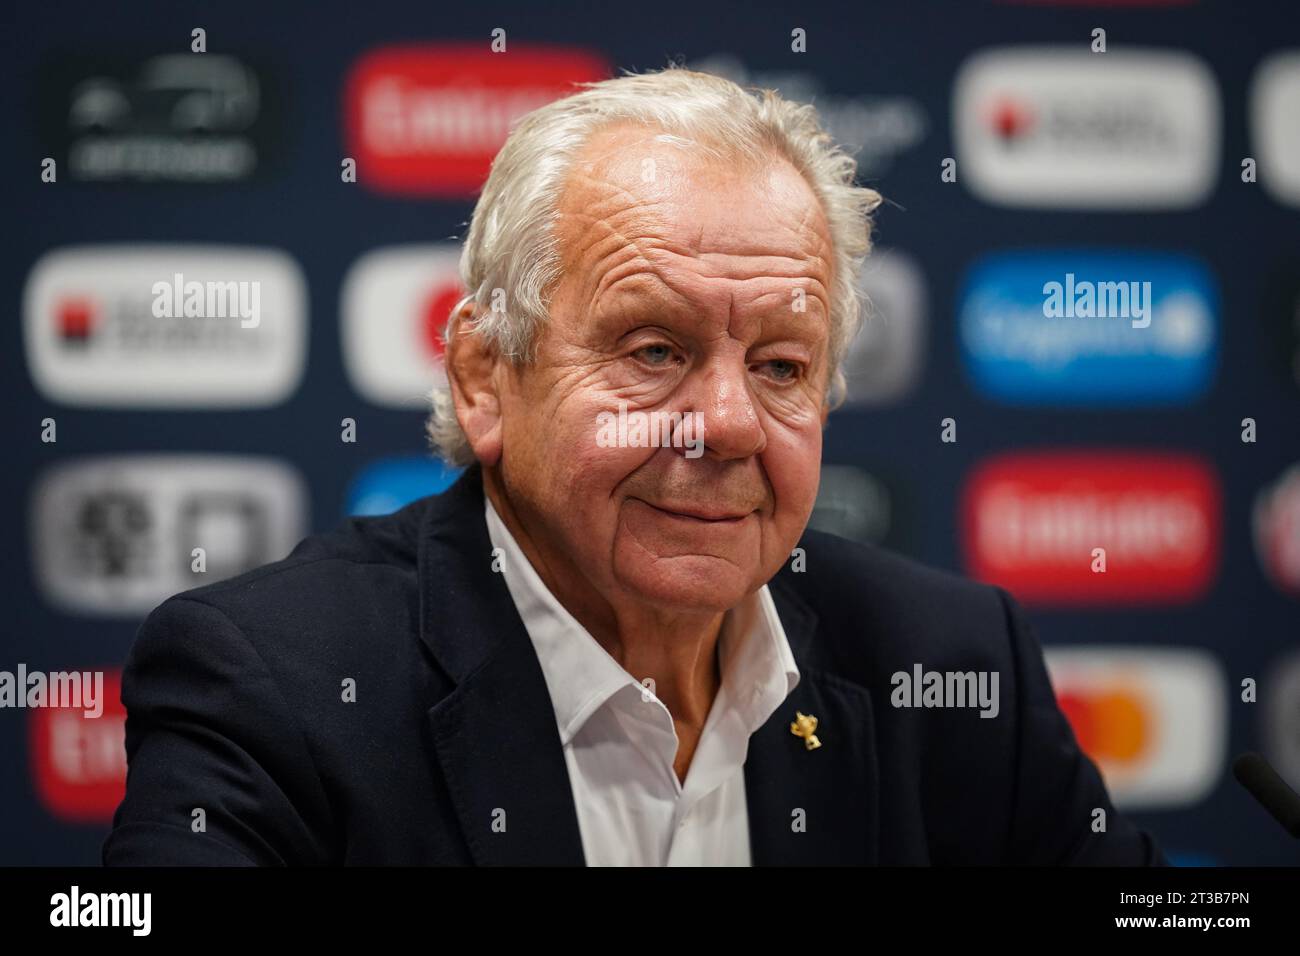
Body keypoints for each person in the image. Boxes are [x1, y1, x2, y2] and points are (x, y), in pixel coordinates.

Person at [103, 66, 1165, 866]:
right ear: (484, 376)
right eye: (654, 350)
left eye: (783, 364)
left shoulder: (948, 660)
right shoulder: (271, 684)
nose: (728, 422)